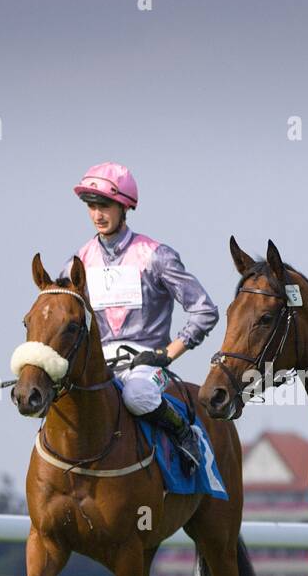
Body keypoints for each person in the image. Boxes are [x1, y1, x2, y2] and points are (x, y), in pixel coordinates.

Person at [61, 162, 217, 474]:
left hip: (147, 365)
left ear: (124, 207)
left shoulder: (156, 255)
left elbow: (204, 310)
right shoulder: (78, 262)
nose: (97, 215)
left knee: (137, 395)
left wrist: (166, 354)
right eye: (91, 206)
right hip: (98, 364)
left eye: (104, 206)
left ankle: (183, 432)